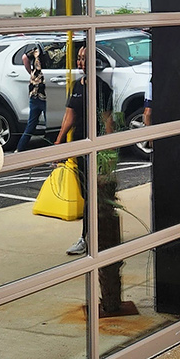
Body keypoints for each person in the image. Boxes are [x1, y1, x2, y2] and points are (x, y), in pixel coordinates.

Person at [55, 45, 113, 257]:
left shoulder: (102, 87)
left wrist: (108, 151)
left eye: (84, 58)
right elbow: (69, 115)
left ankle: (87, 238)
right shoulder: (76, 85)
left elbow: (108, 120)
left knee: (93, 195)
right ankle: (91, 236)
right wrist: (59, 142)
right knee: (86, 193)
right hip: (79, 145)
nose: (80, 62)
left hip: (95, 147)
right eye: (78, 58)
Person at [16, 42, 47, 152]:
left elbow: (24, 57)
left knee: (31, 123)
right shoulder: (59, 48)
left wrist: (32, 73)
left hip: (34, 89)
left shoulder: (37, 47)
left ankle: (20, 149)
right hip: (46, 89)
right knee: (51, 124)